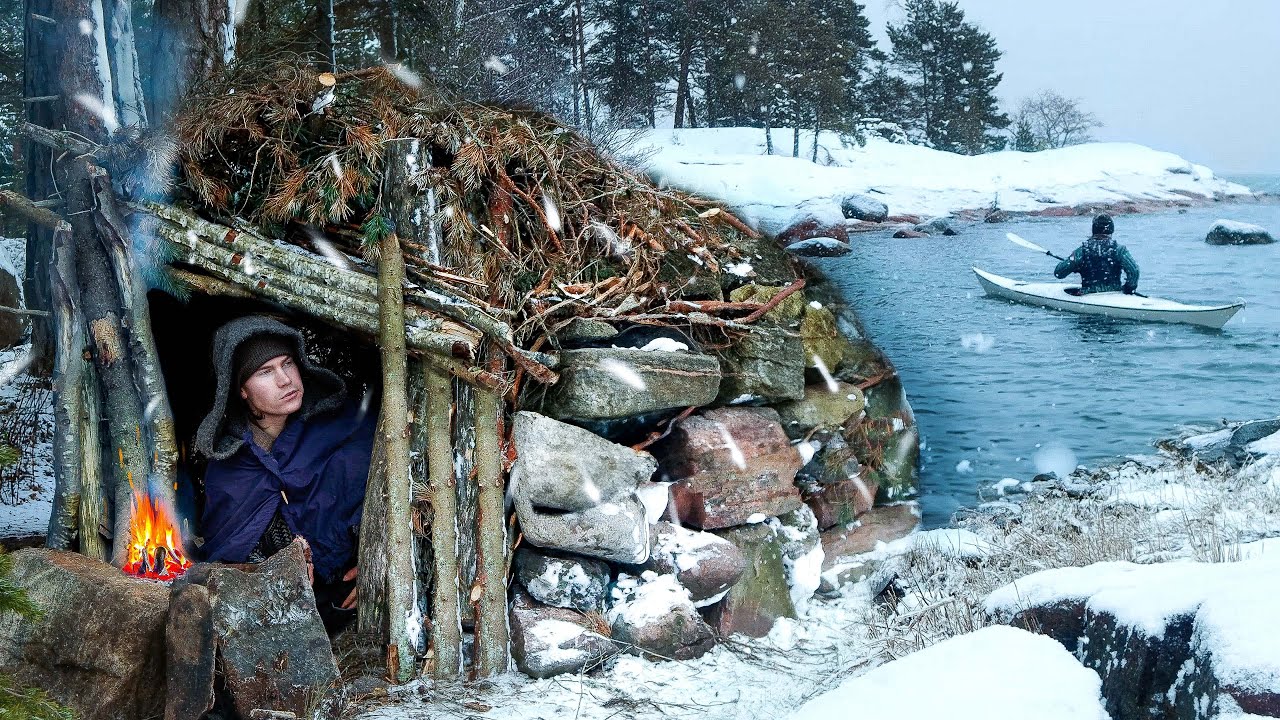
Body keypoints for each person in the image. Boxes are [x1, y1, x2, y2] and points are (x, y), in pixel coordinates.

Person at [194, 315, 375, 631]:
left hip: (354, 603)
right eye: (265, 372)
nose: (285, 380)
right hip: (274, 621)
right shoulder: (229, 468)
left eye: (287, 364)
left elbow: (391, 496)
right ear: (242, 390)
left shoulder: (345, 427)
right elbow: (227, 556)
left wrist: (376, 564)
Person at [1053, 214, 1140, 294]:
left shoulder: (1082, 250)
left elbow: (1059, 273)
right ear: (1111, 230)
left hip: (1088, 295)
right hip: (1114, 294)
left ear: (1094, 230)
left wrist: (1075, 266)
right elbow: (1134, 271)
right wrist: (1128, 288)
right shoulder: (1119, 250)